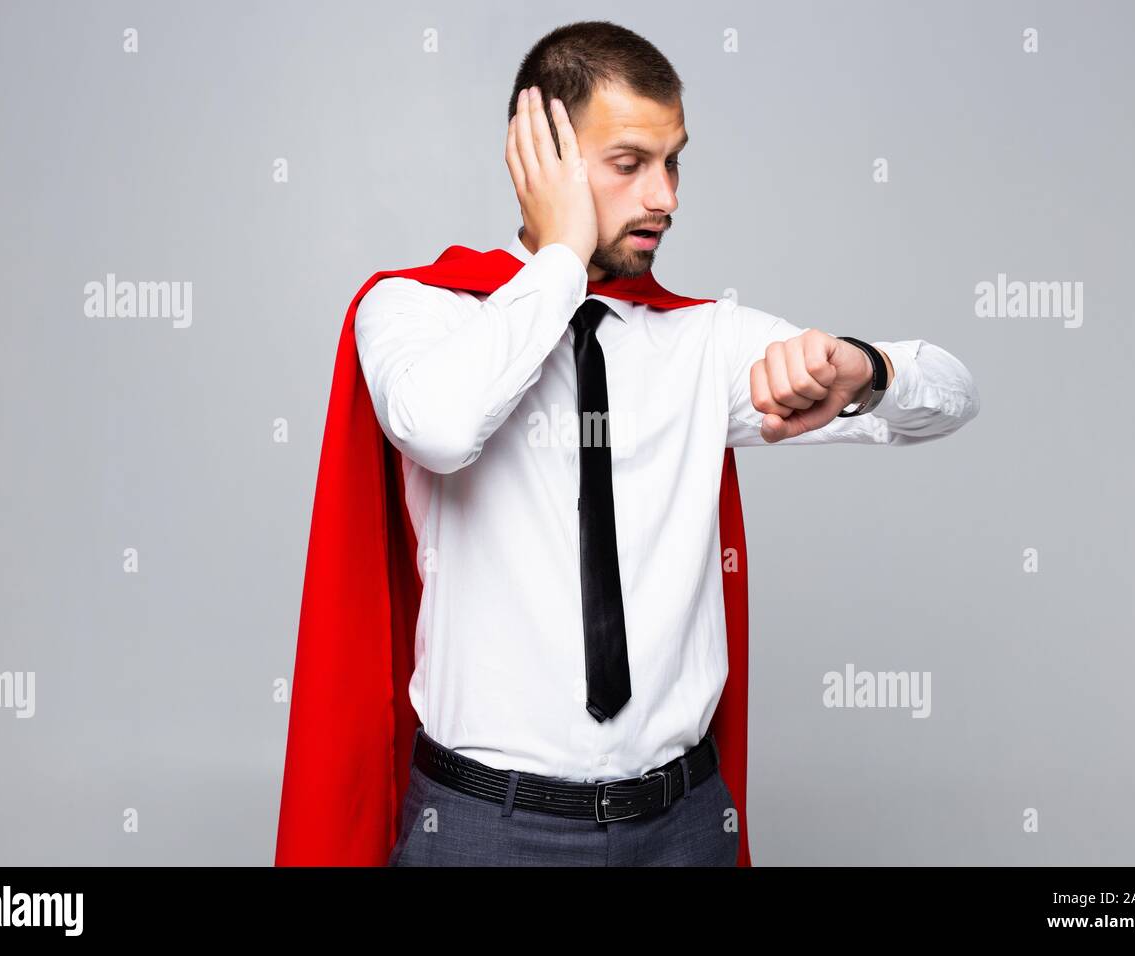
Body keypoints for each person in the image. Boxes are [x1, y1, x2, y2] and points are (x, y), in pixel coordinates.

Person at [317, 20, 979, 867]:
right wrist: (559, 254)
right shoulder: (419, 314)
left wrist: (868, 367)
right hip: (483, 828)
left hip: (682, 826)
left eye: (673, 162)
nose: (664, 196)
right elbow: (441, 429)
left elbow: (951, 398)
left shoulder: (698, 342)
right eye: (629, 165)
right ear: (540, 161)